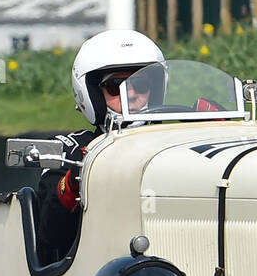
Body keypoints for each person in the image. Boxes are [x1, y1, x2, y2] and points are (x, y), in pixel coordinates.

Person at [33, 31, 164, 264]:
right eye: (116, 85)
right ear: (92, 93)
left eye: (141, 84)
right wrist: (75, 180)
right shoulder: (70, 151)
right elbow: (49, 235)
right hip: (93, 271)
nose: (130, 94)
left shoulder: (174, 142)